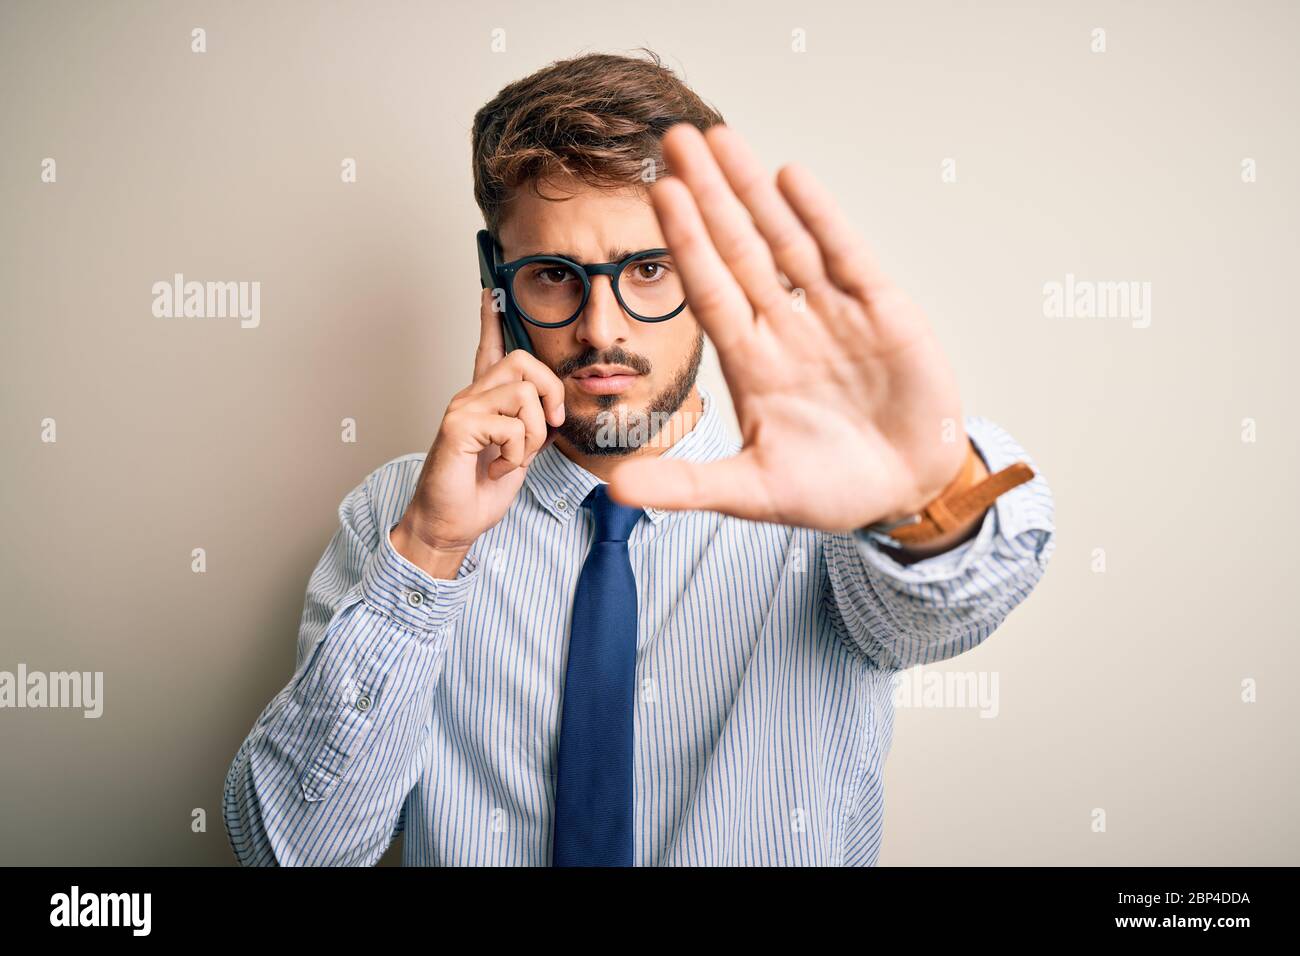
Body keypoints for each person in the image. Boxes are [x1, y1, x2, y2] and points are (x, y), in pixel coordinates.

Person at [223, 49, 1055, 866]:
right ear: (497, 281)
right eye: (555, 275)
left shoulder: (833, 514)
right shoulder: (399, 517)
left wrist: (921, 495)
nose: (602, 328)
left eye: (649, 269)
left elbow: (950, 602)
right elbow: (294, 853)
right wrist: (432, 551)